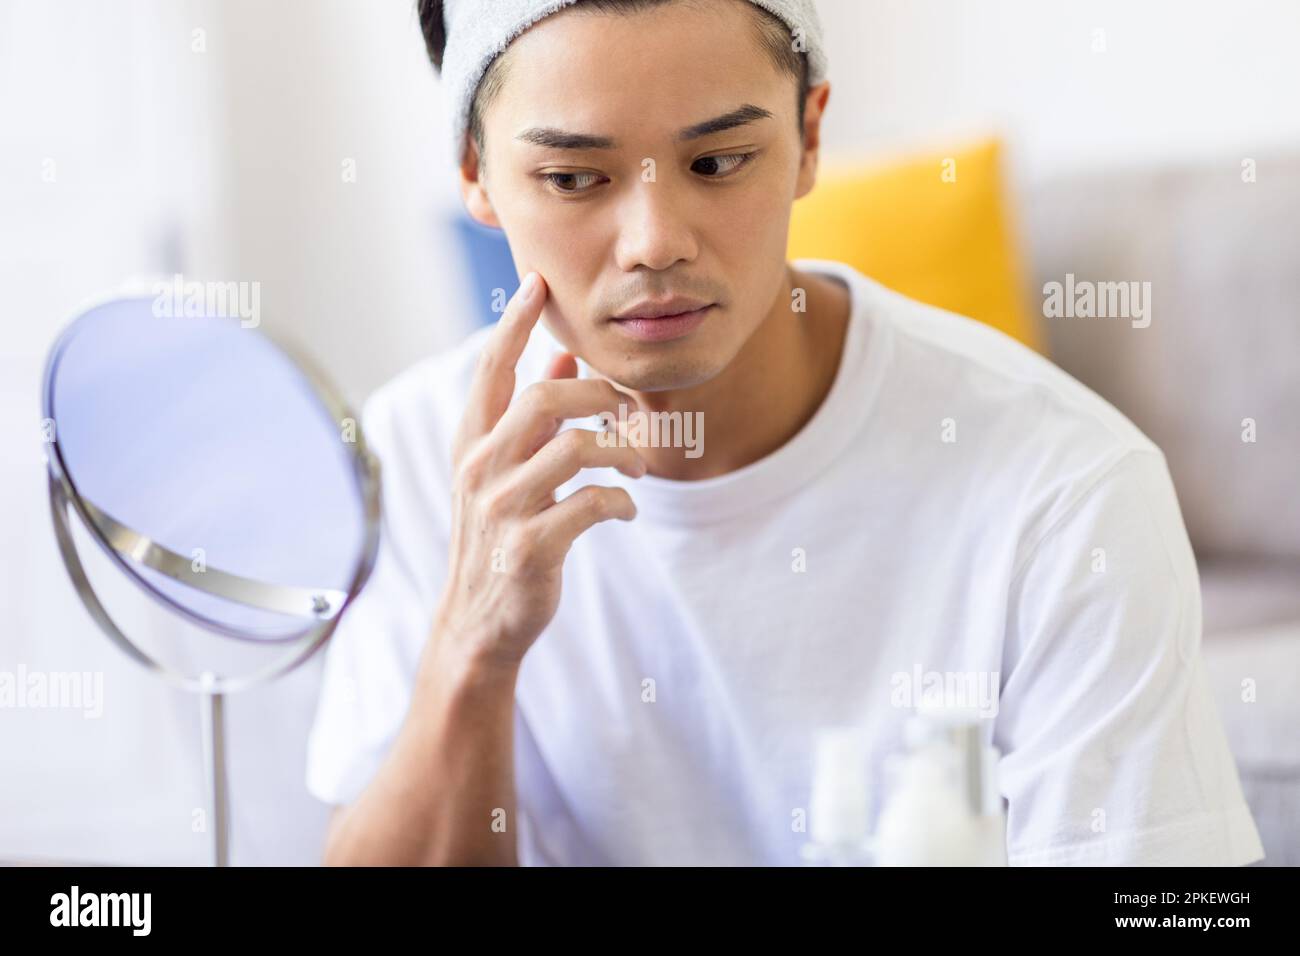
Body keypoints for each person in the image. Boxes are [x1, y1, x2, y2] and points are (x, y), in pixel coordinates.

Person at [306, 0, 1264, 866]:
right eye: (573, 177)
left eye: (717, 163)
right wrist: (475, 646)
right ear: (477, 175)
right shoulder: (422, 453)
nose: (655, 241)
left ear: (809, 139)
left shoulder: (1064, 491)